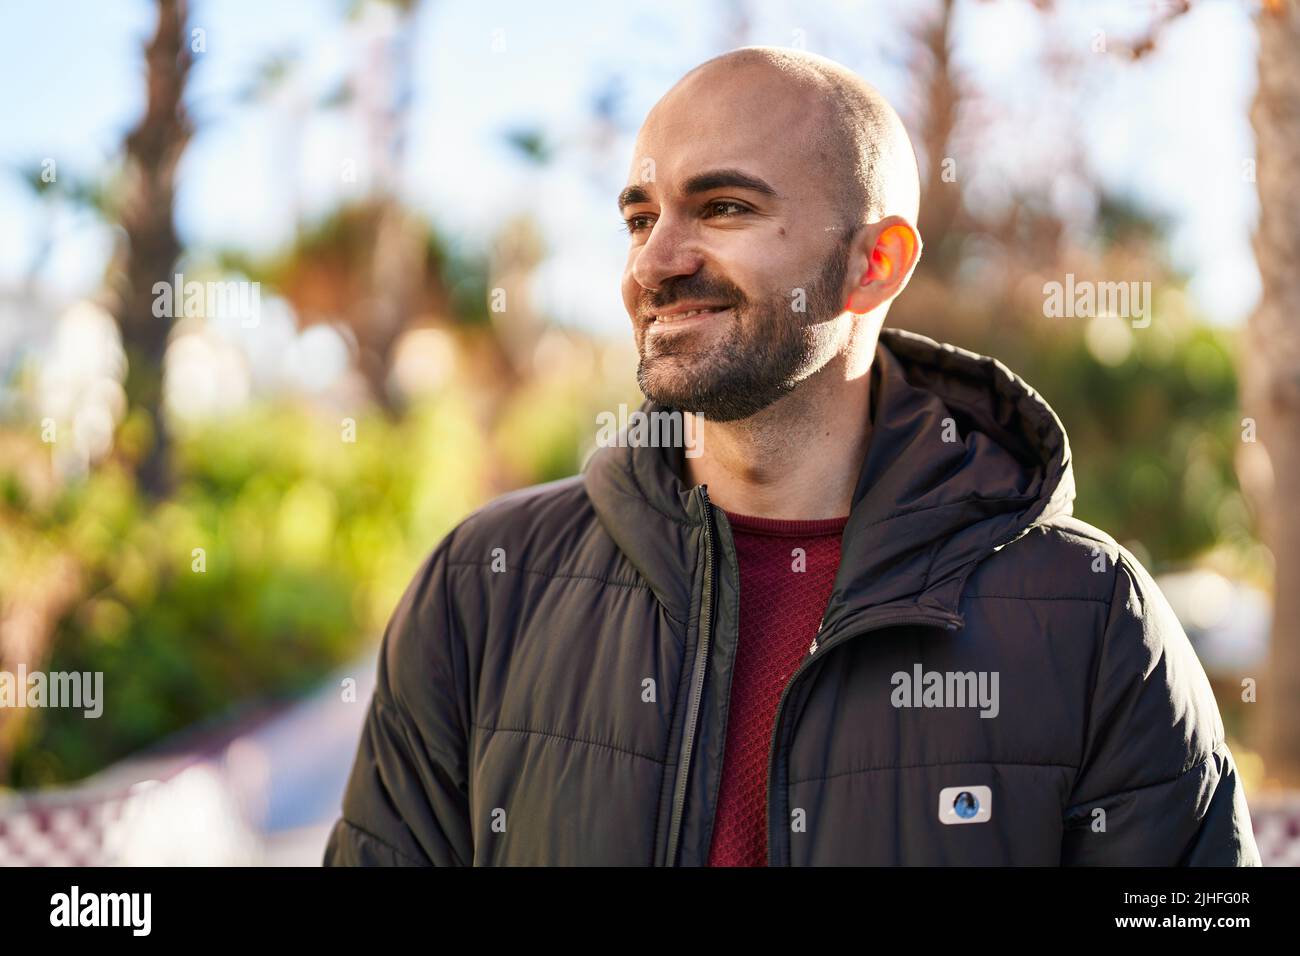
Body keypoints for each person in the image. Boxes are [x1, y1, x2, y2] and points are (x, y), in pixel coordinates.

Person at [323, 46, 1261, 866]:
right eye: (640, 217)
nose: (653, 264)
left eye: (722, 207)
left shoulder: (1093, 621)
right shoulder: (485, 588)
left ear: (875, 264)